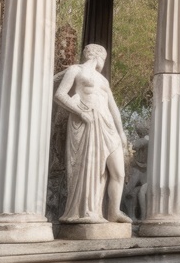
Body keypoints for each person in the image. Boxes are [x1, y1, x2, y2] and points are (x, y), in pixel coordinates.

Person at [54, 44, 131, 224]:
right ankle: (87, 211)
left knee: (119, 172)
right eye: (104, 58)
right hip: (87, 121)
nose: (103, 62)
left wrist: (121, 132)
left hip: (107, 124)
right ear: (96, 55)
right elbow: (60, 95)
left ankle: (114, 212)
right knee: (91, 169)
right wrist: (80, 112)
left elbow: (113, 107)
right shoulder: (76, 70)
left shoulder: (103, 80)